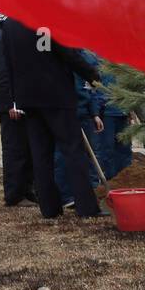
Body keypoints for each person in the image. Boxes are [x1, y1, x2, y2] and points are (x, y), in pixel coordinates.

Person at [0, 17, 103, 219]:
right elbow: (66, 53)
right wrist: (93, 76)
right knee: (73, 151)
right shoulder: (43, 18)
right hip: (55, 96)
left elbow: (9, 63)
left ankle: (49, 208)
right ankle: (87, 207)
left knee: (40, 155)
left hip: (28, 98)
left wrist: (15, 98)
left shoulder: (10, 25)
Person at [0, 22, 35, 205]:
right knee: (14, 149)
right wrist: (10, 103)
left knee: (26, 148)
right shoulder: (1, 39)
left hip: (19, 102)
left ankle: (27, 190)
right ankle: (15, 195)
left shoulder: (10, 37)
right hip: (9, 105)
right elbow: (0, 74)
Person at [55, 61, 103, 207]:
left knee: (90, 154)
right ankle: (66, 196)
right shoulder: (60, 57)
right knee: (63, 155)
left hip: (85, 113)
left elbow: (93, 88)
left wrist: (95, 113)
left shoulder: (86, 58)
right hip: (66, 111)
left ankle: (93, 190)